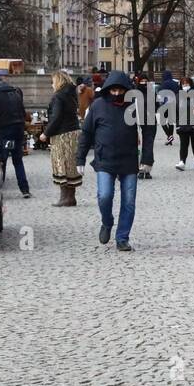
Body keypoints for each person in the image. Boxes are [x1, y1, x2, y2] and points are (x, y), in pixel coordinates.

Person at [76, 70, 140, 251]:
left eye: (121, 91)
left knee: (129, 201)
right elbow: (87, 133)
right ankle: (107, 221)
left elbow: (149, 130)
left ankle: (122, 238)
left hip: (128, 159)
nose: (117, 94)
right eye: (113, 91)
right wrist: (80, 158)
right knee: (104, 196)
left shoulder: (134, 106)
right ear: (108, 90)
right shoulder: (98, 106)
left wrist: (148, 157)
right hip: (105, 159)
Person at [39, 70, 83, 205]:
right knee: (71, 165)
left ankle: (65, 198)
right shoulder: (72, 94)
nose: (52, 85)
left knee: (61, 164)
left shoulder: (58, 96)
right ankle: (71, 197)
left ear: (58, 81)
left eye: (52, 82)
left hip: (62, 135)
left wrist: (46, 133)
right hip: (74, 132)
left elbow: (56, 117)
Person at [0, 73, 31, 198]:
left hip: (5, 130)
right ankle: (25, 189)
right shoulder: (15, 93)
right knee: (18, 160)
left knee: (2, 160)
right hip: (18, 129)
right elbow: (23, 112)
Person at [174, 76, 194, 170]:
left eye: (187, 84)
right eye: (183, 84)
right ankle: (182, 161)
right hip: (182, 123)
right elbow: (175, 110)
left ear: (191, 84)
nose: (185, 86)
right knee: (183, 144)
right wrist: (177, 124)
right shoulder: (178, 96)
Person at [133, 72, 158, 179]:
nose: (144, 83)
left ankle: (146, 168)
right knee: (134, 145)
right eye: (142, 81)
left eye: (145, 81)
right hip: (135, 121)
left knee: (148, 144)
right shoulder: (134, 93)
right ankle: (136, 168)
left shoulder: (152, 93)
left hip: (150, 121)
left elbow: (157, 106)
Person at [158, 70, 181, 145]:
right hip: (174, 105)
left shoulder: (163, 84)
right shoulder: (175, 83)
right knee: (170, 122)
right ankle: (170, 139)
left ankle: (169, 136)